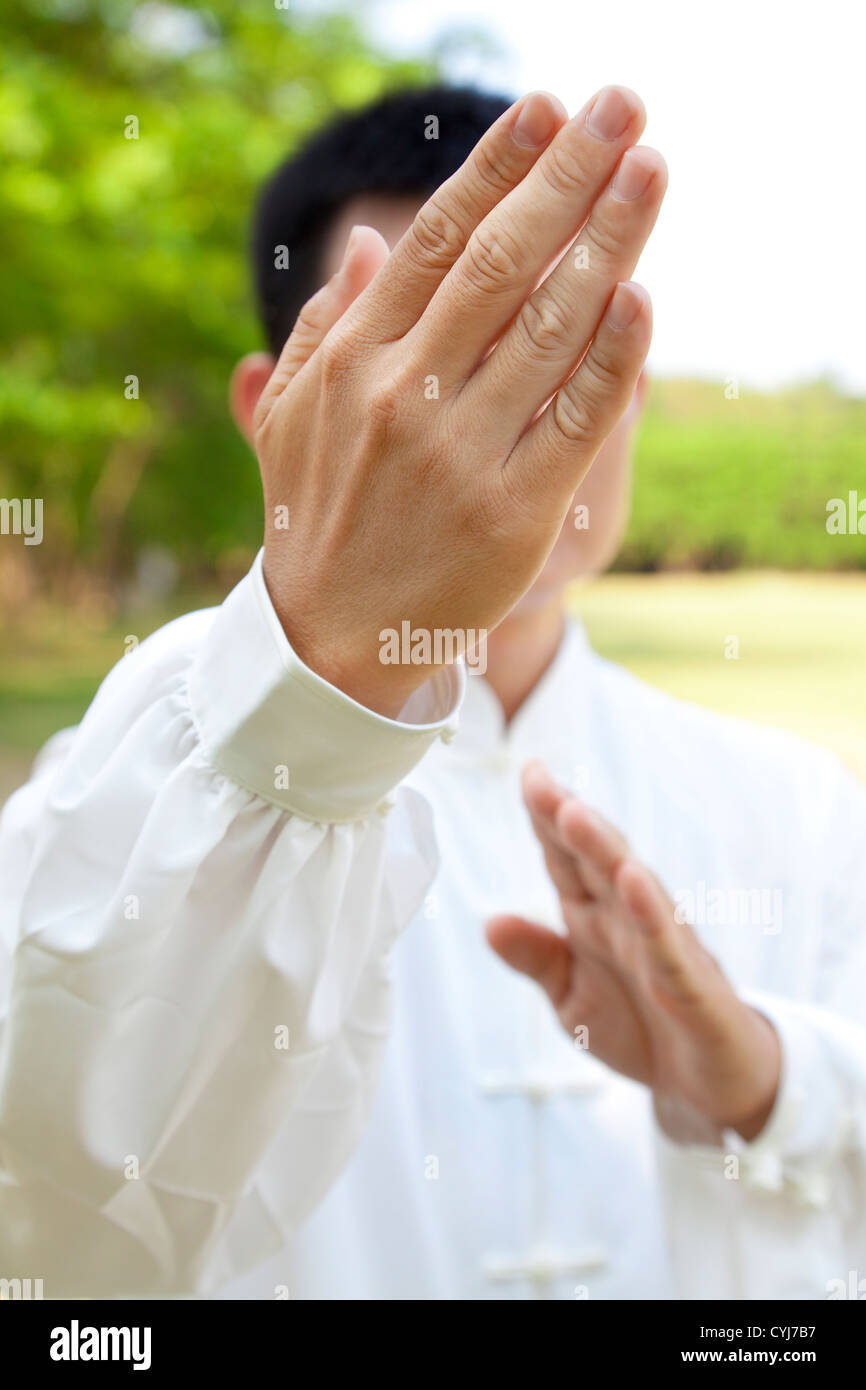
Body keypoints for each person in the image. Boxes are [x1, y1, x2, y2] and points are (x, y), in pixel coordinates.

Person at [1, 84, 864, 1301]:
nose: (494, 414)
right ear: (276, 411)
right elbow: (54, 1233)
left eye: (550, 339)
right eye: (413, 350)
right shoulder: (134, 792)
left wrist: (768, 1085)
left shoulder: (799, 805)